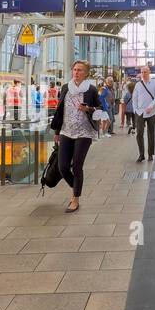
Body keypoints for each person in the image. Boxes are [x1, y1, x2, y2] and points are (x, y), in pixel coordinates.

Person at [50, 59, 100, 214]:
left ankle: (75, 198)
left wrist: (88, 109)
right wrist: (57, 132)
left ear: (86, 74)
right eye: (75, 70)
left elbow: (99, 110)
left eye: (80, 70)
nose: (76, 73)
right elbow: (60, 110)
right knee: (63, 166)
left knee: (77, 166)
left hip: (84, 132)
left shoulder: (91, 90)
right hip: (66, 131)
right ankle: (77, 186)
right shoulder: (65, 87)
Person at [132, 64, 155, 162]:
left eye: (145, 72)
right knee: (139, 133)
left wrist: (151, 106)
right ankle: (141, 154)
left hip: (152, 112)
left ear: (149, 72)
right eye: (142, 72)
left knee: (151, 133)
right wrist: (135, 110)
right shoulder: (138, 85)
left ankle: (150, 154)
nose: (143, 74)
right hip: (140, 112)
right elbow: (134, 98)